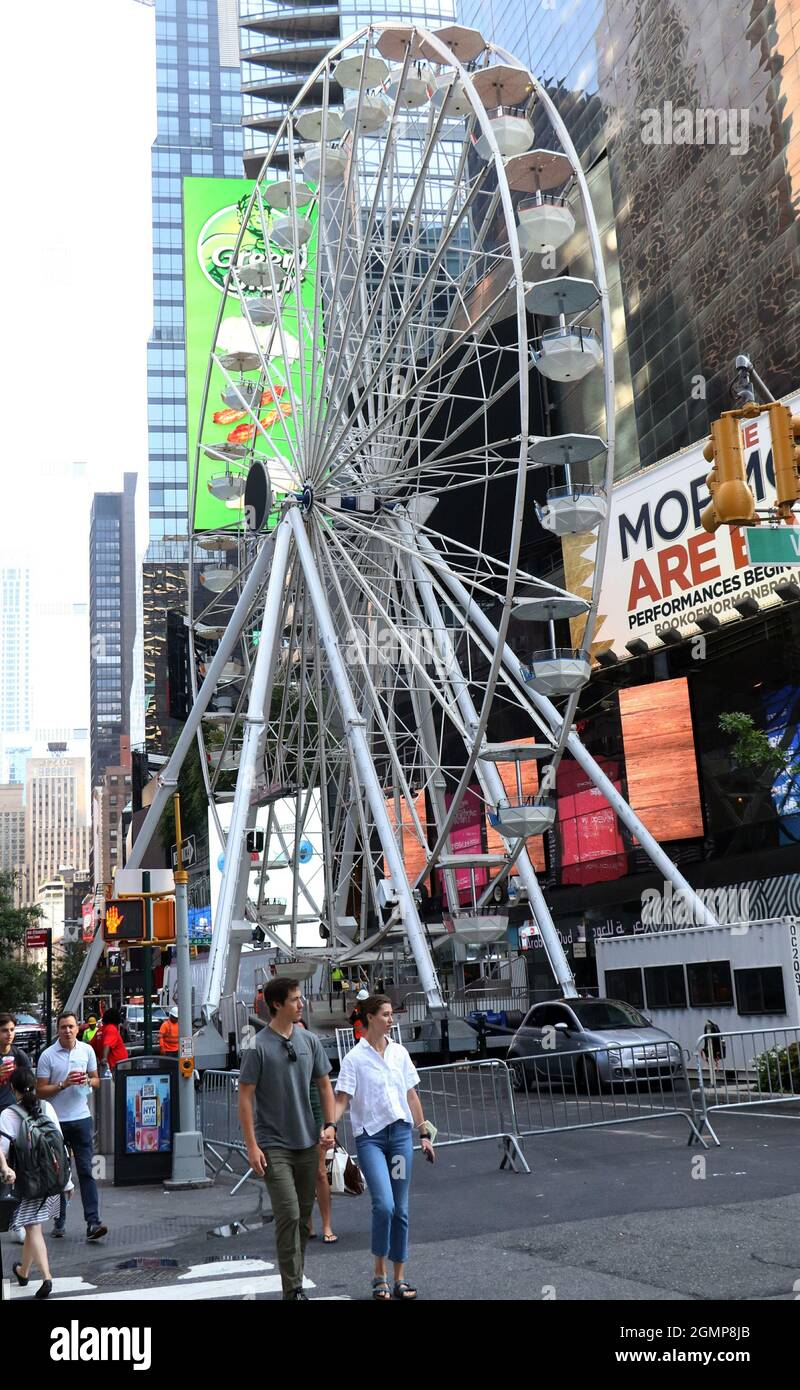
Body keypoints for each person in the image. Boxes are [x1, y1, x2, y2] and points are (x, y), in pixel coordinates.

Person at [238, 978, 337, 1300]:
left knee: (302, 1218)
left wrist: (330, 1124)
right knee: (290, 1214)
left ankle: (295, 1281)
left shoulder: (309, 1040)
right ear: (277, 1004)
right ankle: (293, 1289)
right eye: (295, 999)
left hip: (309, 1141)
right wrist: (252, 1146)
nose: (302, 1004)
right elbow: (245, 1097)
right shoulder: (256, 1045)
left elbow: (324, 1084)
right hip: (274, 1145)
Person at [334, 994, 435, 1301]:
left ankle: (399, 1278)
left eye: (392, 1014)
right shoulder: (354, 1058)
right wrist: (329, 1126)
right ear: (370, 1018)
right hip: (372, 1141)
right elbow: (342, 1099)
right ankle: (379, 1274)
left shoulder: (400, 1054)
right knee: (384, 1205)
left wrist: (424, 1133)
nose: (392, 1019)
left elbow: (412, 1096)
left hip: (401, 1138)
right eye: (387, 1014)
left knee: (401, 1208)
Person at [1, 1065, 74, 1298]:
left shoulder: (8, 1114)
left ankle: (46, 1277)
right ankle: (23, 1272)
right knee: (34, 1226)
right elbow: (61, 1147)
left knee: (32, 1227)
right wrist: (68, 1182)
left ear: (13, 1089)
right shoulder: (47, 1107)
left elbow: (2, 1150)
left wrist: (5, 1170)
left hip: (28, 1181)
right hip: (53, 1179)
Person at [36, 1011, 107, 1242]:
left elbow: (96, 1080)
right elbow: (40, 1090)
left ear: (78, 1028)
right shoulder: (48, 1055)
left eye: (71, 1026)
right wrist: (63, 1084)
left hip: (81, 1118)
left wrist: (88, 1080)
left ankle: (93, 1222)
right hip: (55, 1121)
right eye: (63, 1027)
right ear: (57, 1030)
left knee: (87, 1170)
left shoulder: (86, 1051)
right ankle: (59, 1221)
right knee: (58, 1174)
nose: (67, 1030)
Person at [297, 1018, 337, 1245]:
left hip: (314, 1118)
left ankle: (327, 1224)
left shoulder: (313, 1051)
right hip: (292, 1120)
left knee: (320, 1173)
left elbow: (324, 1089)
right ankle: (308, 1223)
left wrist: (328, 1124)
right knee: (300, 1176)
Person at [0, 1012, 31, 1244]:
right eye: (4, 1030)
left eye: (11, 1030)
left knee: (14, 1166)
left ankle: (15, 1220)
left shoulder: (19, 1055)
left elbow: (29, 1084)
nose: (9, 1035)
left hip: (15, 1116)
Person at [90, 1008, 128, 1073]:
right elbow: (107, 1044)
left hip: (107, 1068)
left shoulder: (100, 1030)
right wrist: (104, 1058)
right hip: (116, 1067)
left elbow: (91, 1046)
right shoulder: (111, 1028)